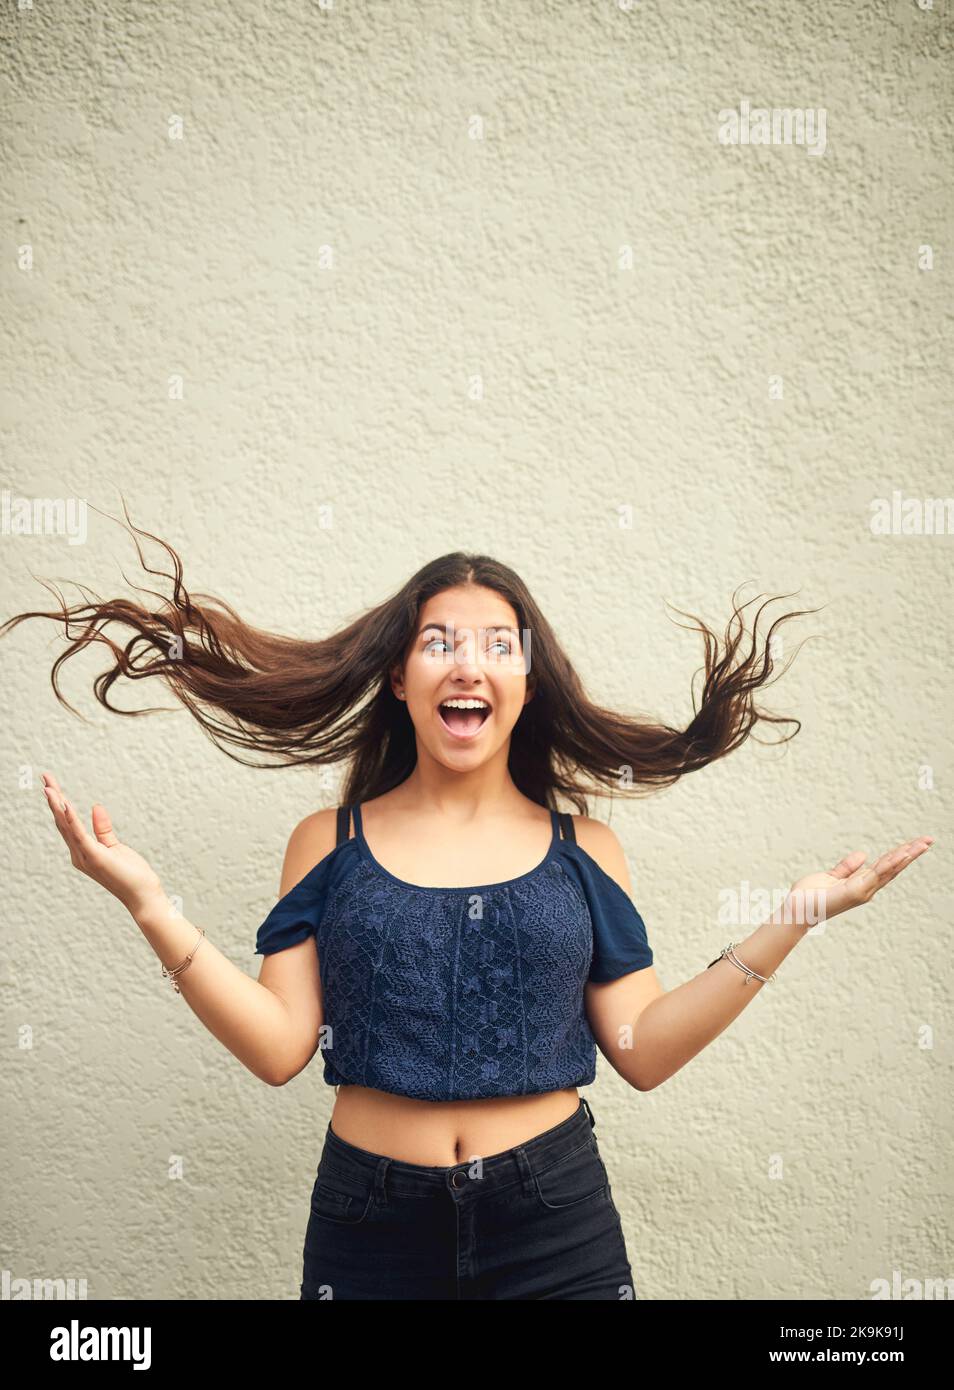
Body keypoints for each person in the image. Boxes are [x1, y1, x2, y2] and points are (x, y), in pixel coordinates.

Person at [8, 517, 933, 1299]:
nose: (469, 665)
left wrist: (795, 918)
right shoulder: (327, 843)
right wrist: (146, 901)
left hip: (554, 1223)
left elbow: (642, 1052)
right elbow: (279, 1048)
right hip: (369, 1225)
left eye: (500, 646)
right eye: (439, 642)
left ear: (527, 687)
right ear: (401, 678)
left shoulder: (586, 851)